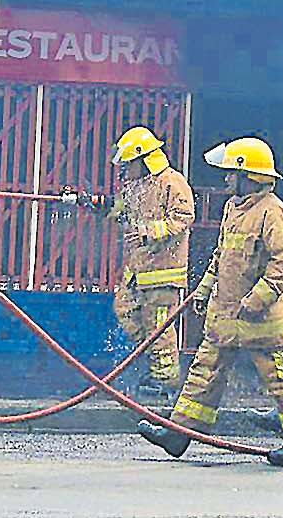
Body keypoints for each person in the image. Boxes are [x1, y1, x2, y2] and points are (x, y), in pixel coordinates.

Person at [137, 137, 283, 467]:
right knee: (204, 372)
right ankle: (180, 433)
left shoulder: (273, 213)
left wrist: (256, 300)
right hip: (225, 312)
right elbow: (221, 258)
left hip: (260, 317)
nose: (225, 179)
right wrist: (203, 291)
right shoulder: (233, 209)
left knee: (278, 377)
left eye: (231, 173)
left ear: (247, 174)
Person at [101, 126, 195, 404]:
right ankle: (154, 365)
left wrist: (149, 231)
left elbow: (183, 216)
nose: (126, 169)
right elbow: (122, 213)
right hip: (138, 272)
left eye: (130, 163)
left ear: (144, 159)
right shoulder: (137, 187)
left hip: (164, 273)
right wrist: (96, 205)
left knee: (159, 327)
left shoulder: (172, 182)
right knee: (127, 311)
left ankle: (164, 382)